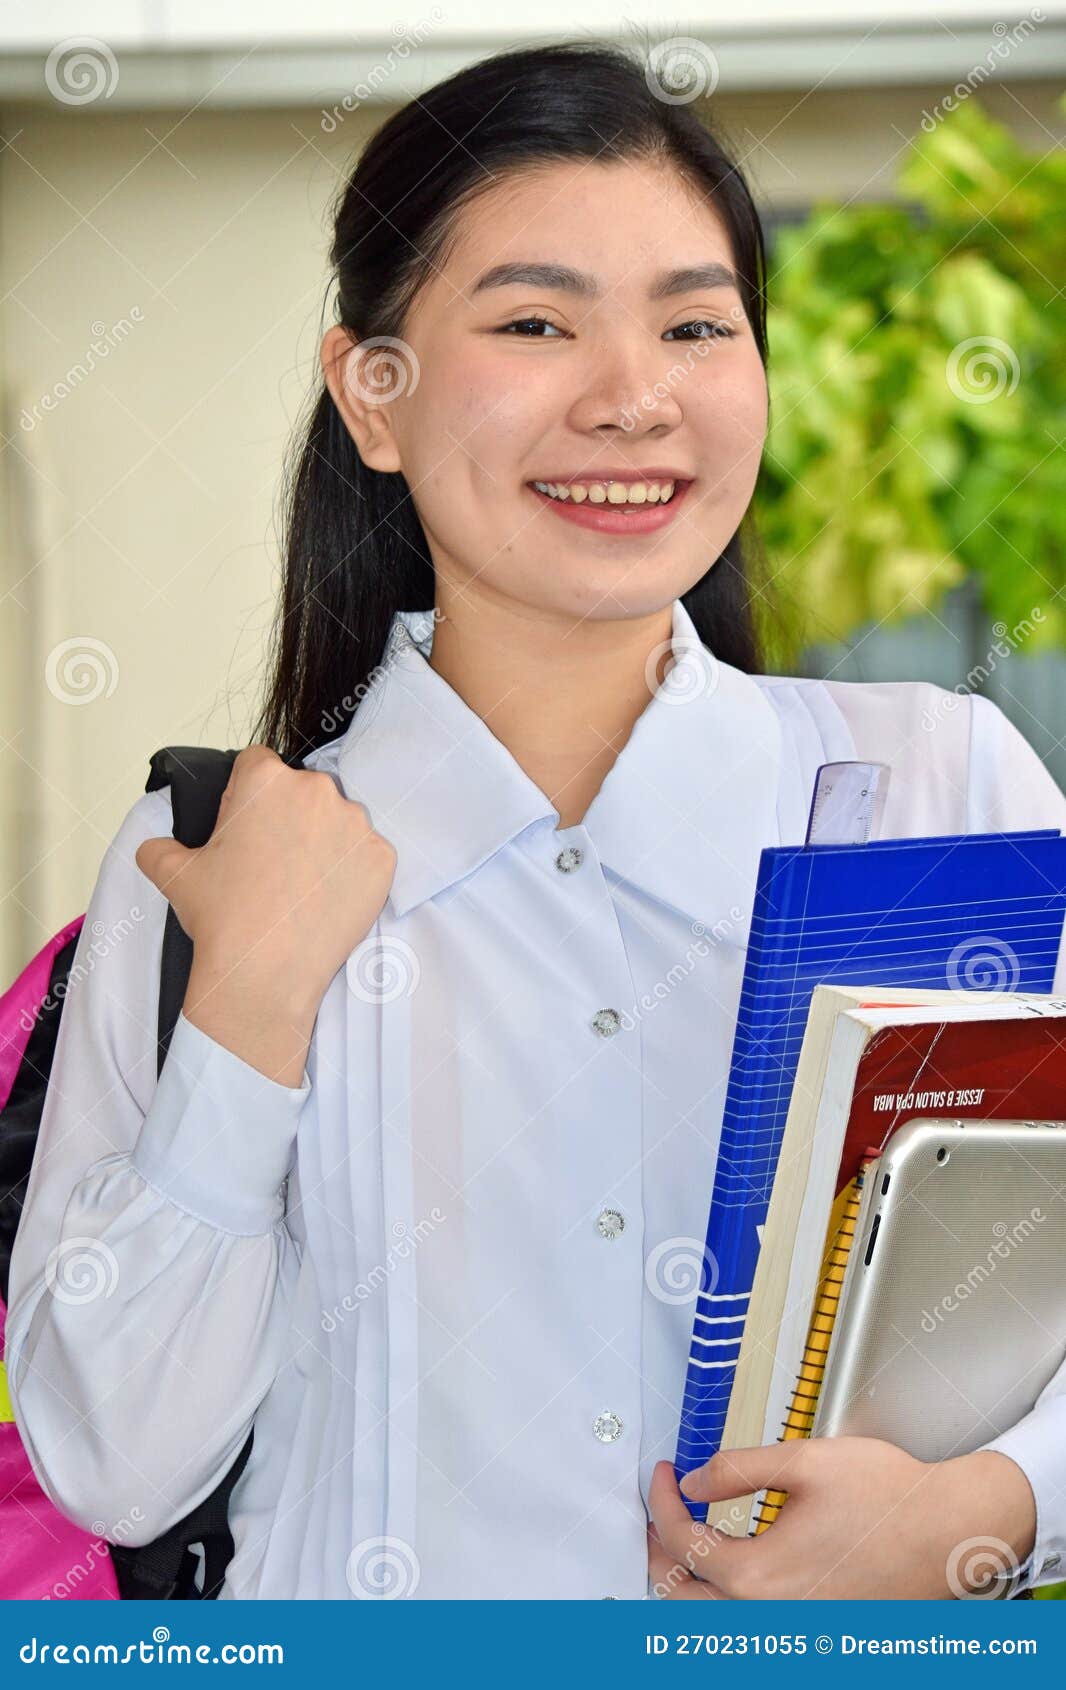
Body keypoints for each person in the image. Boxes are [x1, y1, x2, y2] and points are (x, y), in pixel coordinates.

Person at [7, 40, 1066, 1602]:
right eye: (533, 323)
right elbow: (114, 1461)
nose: (633, 398)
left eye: (697, 325)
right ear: (373, 394)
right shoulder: (207, 861)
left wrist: (983, 1505)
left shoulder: (934, 793)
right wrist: (247, 1014)